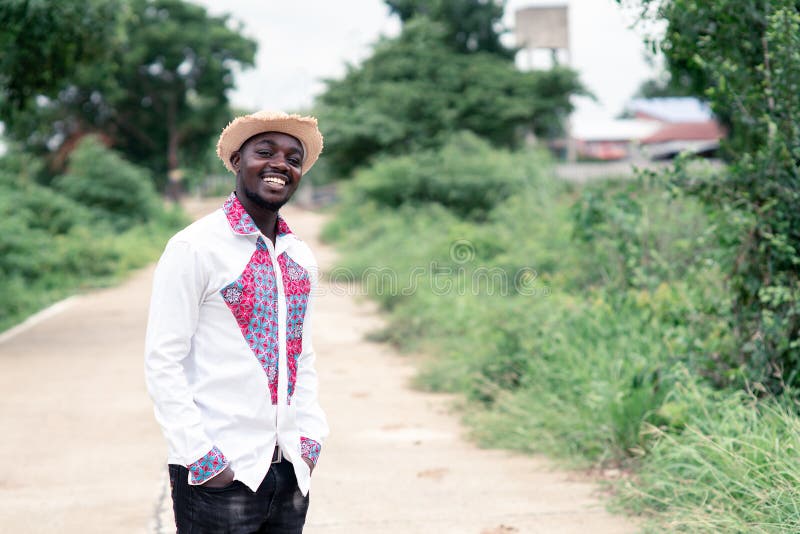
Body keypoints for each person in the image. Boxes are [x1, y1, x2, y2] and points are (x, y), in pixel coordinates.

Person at [144, 111, 329, 533]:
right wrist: (203, 459)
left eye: (292, 158)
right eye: (265, 152)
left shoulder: (299, 257)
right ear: (235, 160)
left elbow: (304, 356)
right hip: (218, 476)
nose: (280, 164)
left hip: (289, 472)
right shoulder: (195, 247)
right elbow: (162, 360)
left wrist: (310, 438)